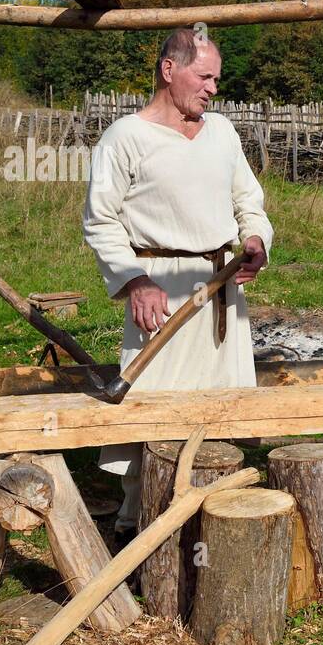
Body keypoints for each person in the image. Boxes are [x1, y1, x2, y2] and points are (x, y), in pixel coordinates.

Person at [83, 28, 273, 542]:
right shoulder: (125, 138)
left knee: (222, 406)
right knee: (154, 409)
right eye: (204, 76)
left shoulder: (223, 133)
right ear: (170, 71)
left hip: (220, 292)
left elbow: (247, 202)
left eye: (216, 78)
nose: (213, 88)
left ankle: (218, 516)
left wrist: (254, 240)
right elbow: (100, 222)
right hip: (161, 293)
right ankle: (139, 527)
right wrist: (135, 281)